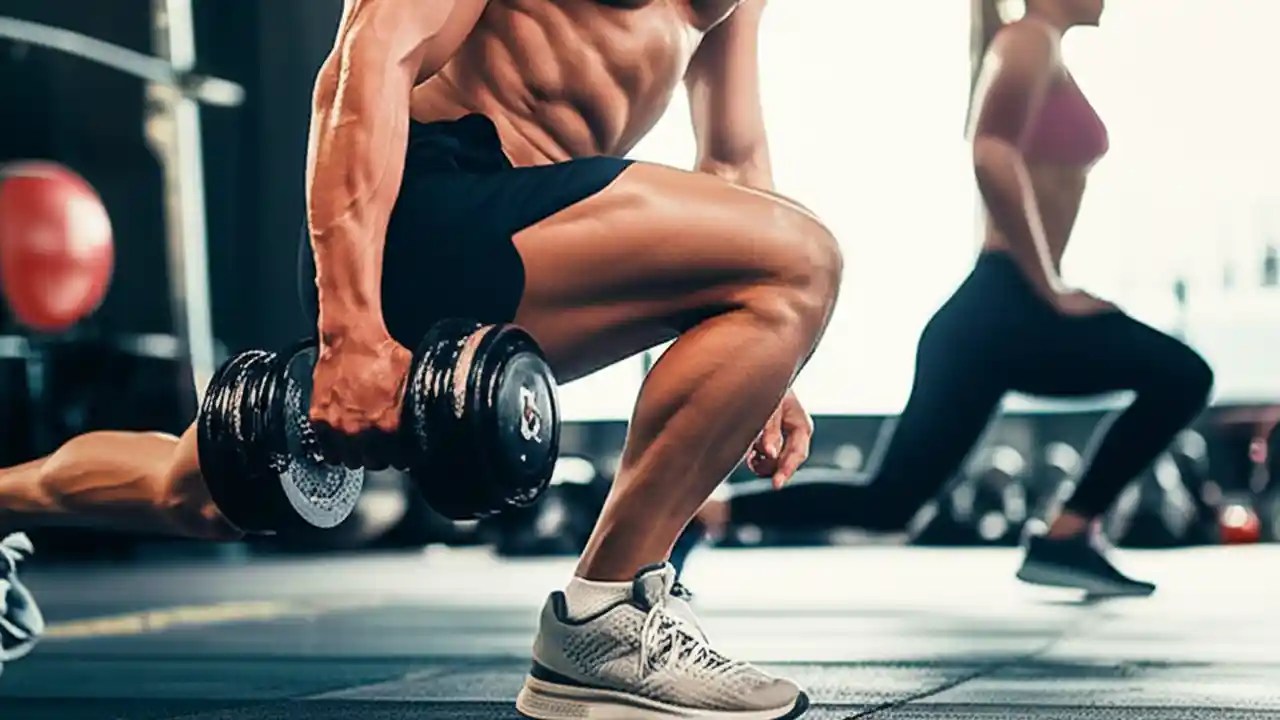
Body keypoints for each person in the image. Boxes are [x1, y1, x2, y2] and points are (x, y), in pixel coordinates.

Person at [0, 0, 838, 715]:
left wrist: (769, 360)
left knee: (212, 488)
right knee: (801, 257)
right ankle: (604, 617)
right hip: (423, 212)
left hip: (537, 244)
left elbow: (732, 161)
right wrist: (352, 329)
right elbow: (367, 64)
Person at [676, 0, 1213, 598]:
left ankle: (711, 516)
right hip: (1007, 304)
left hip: (994, 317)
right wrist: (1051, 286)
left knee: (892, 503)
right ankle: (1067, 535)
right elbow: (991, 152)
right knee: (1183, 374)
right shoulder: (1028, 41)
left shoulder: (1038, 48)